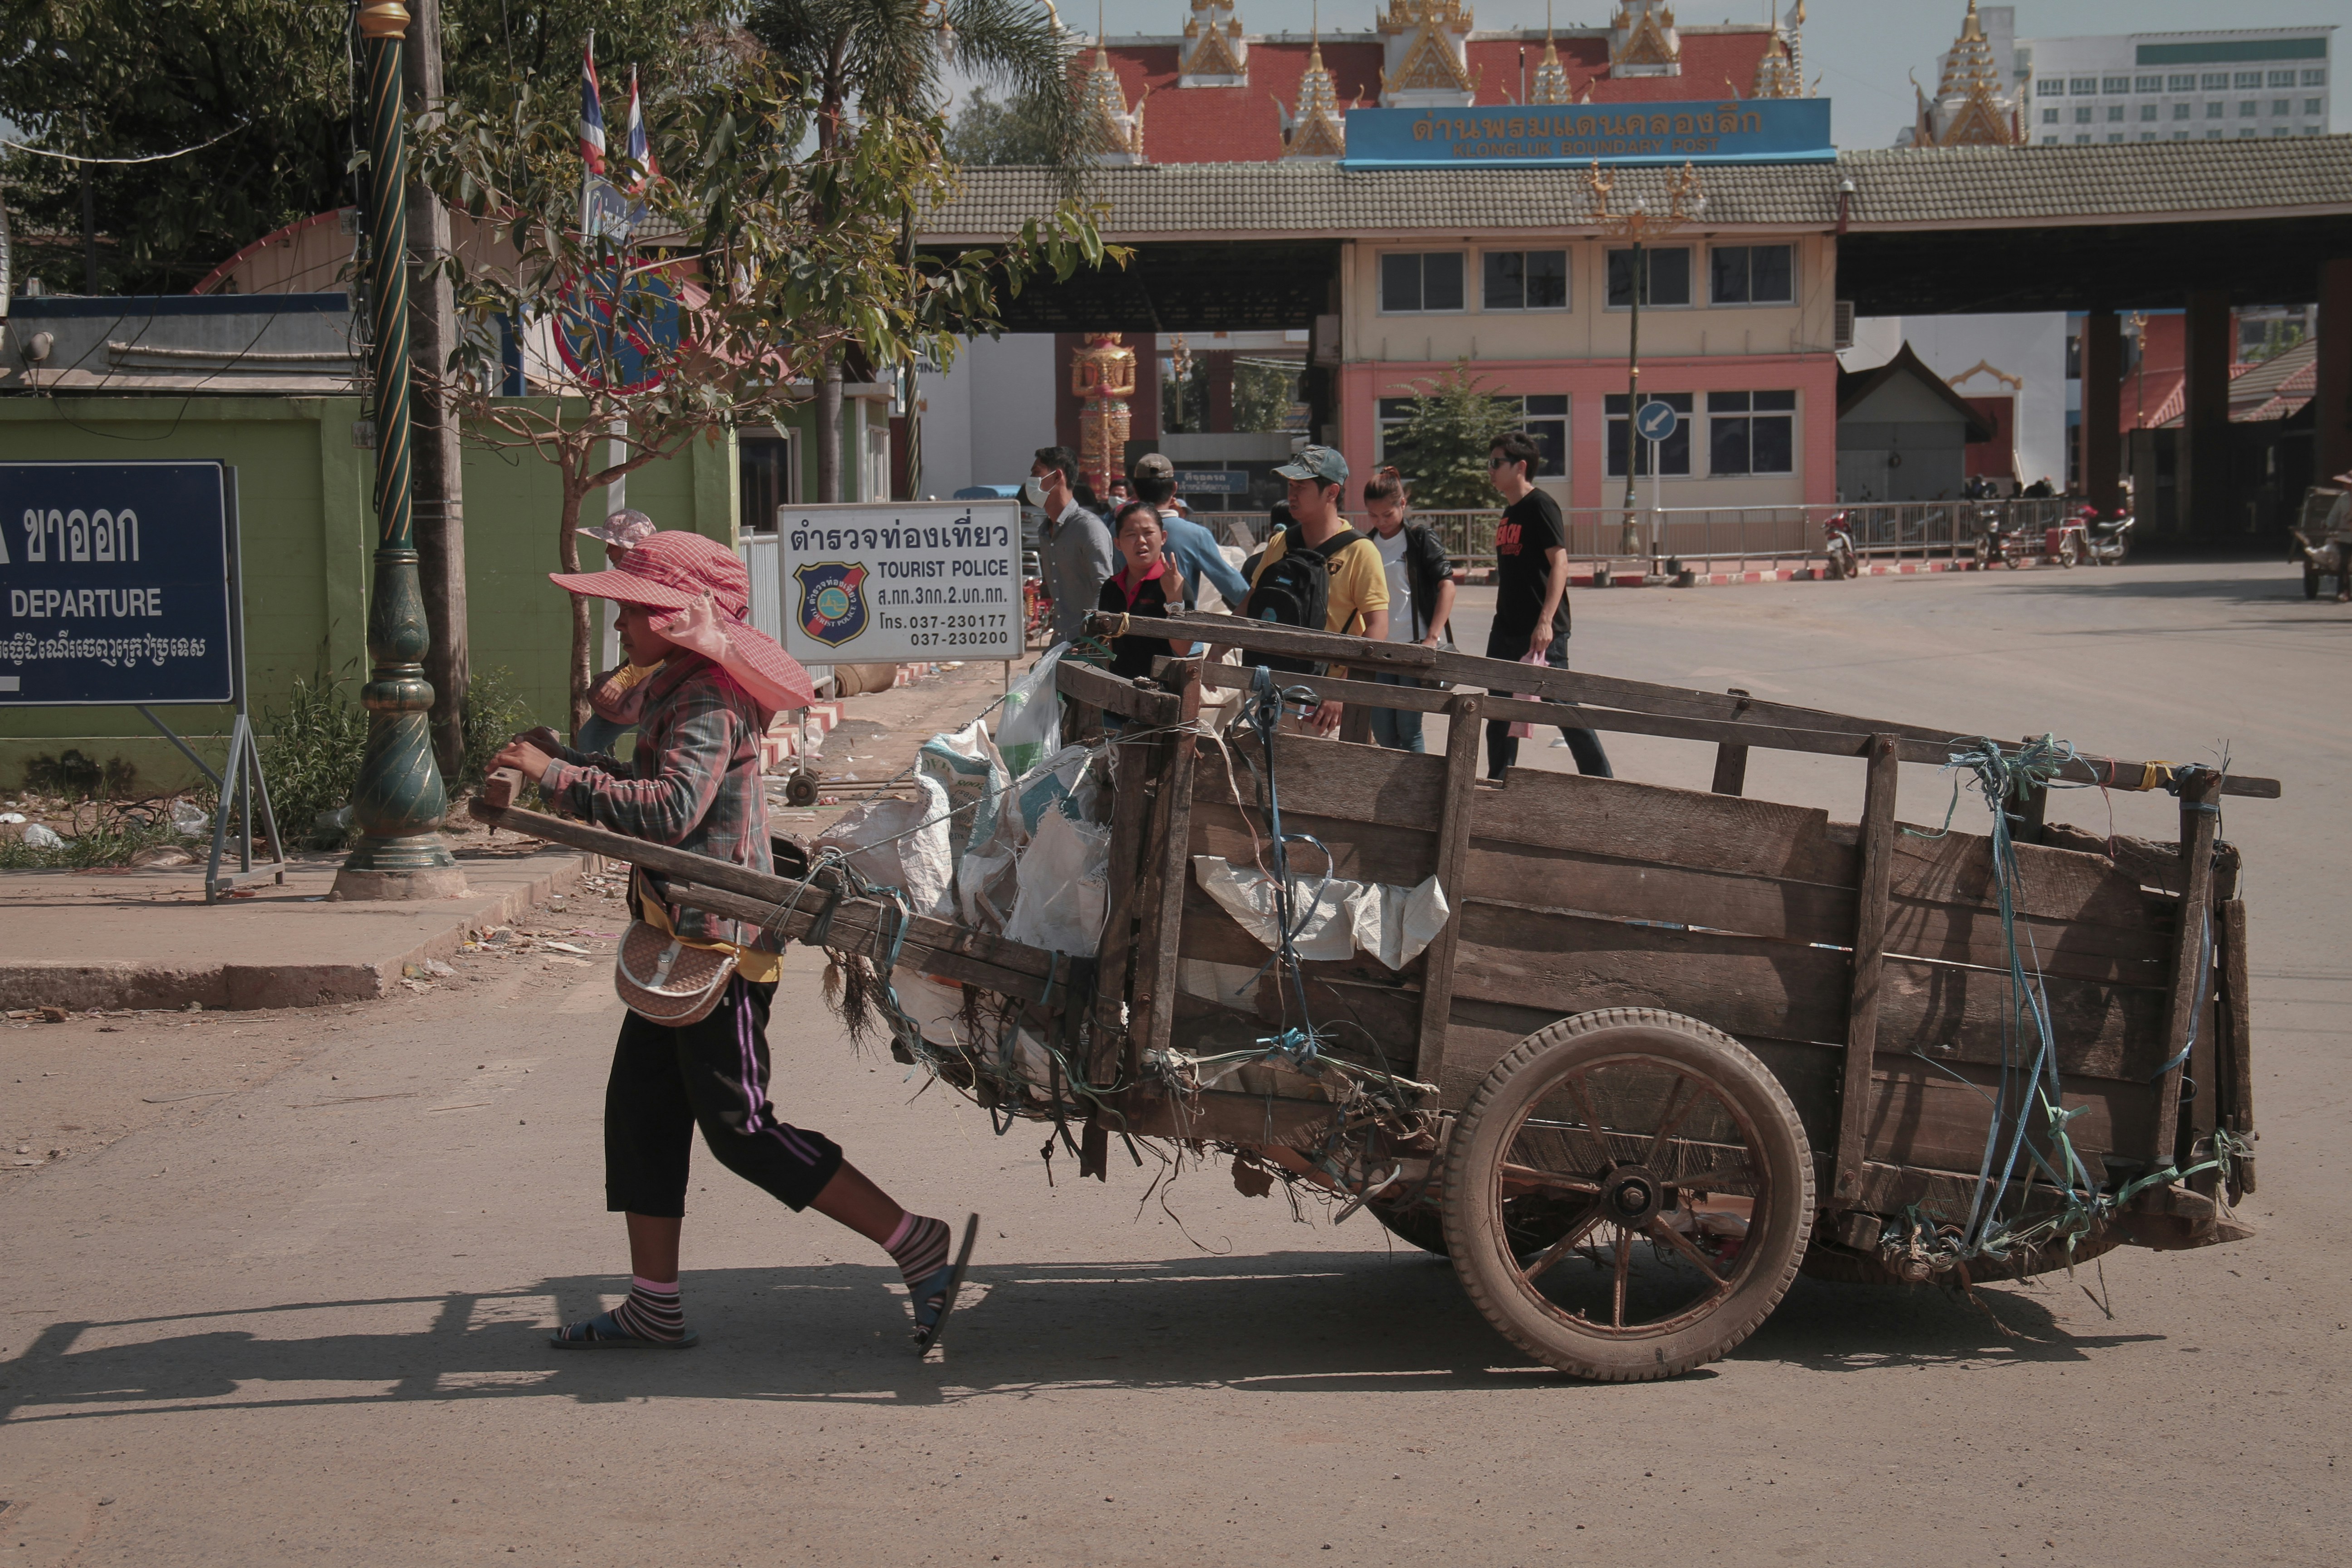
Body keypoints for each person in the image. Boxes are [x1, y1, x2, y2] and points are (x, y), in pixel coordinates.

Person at [492, 530, 974, 1352]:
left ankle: (912, 1239)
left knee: (740, 1127)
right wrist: (559, 759)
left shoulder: (706, 698)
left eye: (631, 609)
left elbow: (666, 808)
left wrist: (554, 777)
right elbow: (642, 780)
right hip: (674, 940)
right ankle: (653, 1304)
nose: (618, 624)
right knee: (640, 1117)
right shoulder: (673, 688)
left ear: (673, 620)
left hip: (722, 947)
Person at [1485, 431, 1610, 782]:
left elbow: (1561, 563)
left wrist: (1545, 622)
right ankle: (1498, 782)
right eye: (1490, 463)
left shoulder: (1541, 505)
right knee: (1498, 711)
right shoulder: (1510, 511)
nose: (1490, 470)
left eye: (1497, 463)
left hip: (1540, 631)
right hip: (1506, 629)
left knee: (1562, 705)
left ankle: (1602, 780)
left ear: (1520, 467)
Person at [1239, 445, 1388, 735]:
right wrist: (1216, 650)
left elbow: (1378, 628)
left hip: (1327, 708)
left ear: (1331, 492)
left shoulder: (1361, 551)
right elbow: (1249, 603)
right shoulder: (1280, 542)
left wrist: (1341, 691)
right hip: (1275, 690)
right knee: (1272, 779)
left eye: (1301, 487)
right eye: (1290, 486)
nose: (1291, 495)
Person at [1361, 467, 1457, 754]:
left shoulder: (1418, 539)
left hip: (1413, 649)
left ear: (1402, 504)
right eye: (1373, 516)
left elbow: (1448, 587)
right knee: (1382, 731)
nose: (1381, 522)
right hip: (1378, 650)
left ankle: (1416, 793)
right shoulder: (1367, 545)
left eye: (1387, 515)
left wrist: (1432, 638)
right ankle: (1398, 792)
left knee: (1409, 729)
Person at [575, 510, 663, 755]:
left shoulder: (653, 586)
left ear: (628, 549)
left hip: (662, 676)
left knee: (592, 740)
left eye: (611, 545)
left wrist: (623, 678)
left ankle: (605, 791)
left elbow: (664, 643)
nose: (608, 552)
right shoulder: (637, 581)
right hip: (649, 674)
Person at [1131, 452, 1250, 612]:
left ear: (1135, 491)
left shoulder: (1117, 532)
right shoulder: (1195, 535)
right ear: (1175, 488)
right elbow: (1235, 589)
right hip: (1177, 631)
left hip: (1127, 630)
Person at [1027, 446, 1115, 647]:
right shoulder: (1045, 532)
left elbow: (1104, 590)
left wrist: (1087, 640)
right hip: (1061, 643)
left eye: (1036, 473)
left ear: (1057, 476)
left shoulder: (1088, 528)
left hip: (1087, 649)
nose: (1030, 481)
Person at [1097, 501, 1189, 680]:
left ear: (1163, 537)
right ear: (1118, 543)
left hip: (1162, 693)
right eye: (1131, 535)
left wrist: (1174, 600)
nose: (1141, 541)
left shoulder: (1177, 585)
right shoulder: (1111, 587)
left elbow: (1182, 649)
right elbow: (1106, 645)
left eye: (1148, 533)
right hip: (1119, 691)